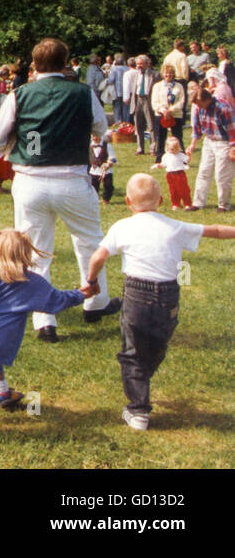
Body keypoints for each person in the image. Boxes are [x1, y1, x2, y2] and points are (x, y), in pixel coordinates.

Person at [0, 37, 117, 343]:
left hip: (30, 180)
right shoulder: (83, 93)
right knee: (89, 241)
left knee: (35, 250)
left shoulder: (20, 94)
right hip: (71, 179)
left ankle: (44, 319)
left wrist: (13, 152)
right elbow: (101, 129)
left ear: (33, 65)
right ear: (66, 63)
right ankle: (95, 302)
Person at [87, 173, 235, 430]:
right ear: (162, 200)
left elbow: (98, 256)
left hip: (136, 294)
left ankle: (138, 411)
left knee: (132, 353)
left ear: (129, 202)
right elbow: (216, 231)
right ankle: (143, 383)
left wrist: (92, 280)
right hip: (168, 296)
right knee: (157, 344)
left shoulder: (122, 226)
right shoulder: (173, 225)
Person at [0, 230, 96, 423]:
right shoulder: (32, 282)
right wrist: (82, 295)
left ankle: (3, 393)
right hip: (2, 334)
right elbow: (57, 300)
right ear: (27, 254)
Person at [185, 84, 233, 212]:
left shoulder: (223, 108)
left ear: (207, 100)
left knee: (222, 175)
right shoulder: (199, 108)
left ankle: (224, 205)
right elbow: (197, 129)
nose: (198, 106)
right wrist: (192, 145)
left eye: (199, 104)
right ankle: (198, 203)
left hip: (224, 143)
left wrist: (233, 148)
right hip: (209, 141)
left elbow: (232, 130)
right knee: (204, 172)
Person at [123, 55, 159, 157]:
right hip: (138, 99)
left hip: (149, 100)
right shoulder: (135, 74)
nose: (138, 66)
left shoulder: (154, 75)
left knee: (151, 125)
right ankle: (140, 148)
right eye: (137, 64)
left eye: (141, 64)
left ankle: (153, 148)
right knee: (138, 126)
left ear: (147, 64)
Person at [150, 65, 186, 159]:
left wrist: (171, 110)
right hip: (161, 115)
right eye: (166, 73)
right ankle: (160, 158)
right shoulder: (157, 86)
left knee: (177, 137)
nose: (168, 75)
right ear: (163, 73)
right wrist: (163, 110)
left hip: (175, 114)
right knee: (161, 138)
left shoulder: (179, 86)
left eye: (170, 73)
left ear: (173, 74)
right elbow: (154, 102)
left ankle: (182, 159)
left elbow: (181, 101)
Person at [153, 136, 191, 210]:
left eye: (176, 149)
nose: (173, 151)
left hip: (180, 174)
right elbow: (164, 164)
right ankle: (176, 204)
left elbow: (187, 160)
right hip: (170, 175)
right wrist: (158, 165)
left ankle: (187, 203)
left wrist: (189, 155)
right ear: (167, 148)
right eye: (171, 149)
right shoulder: (166, 156)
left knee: (184, 190)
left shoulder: (180, 155)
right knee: (173, 190)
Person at [89, 132, 117, 204]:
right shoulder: (89, 146)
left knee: (108, 186)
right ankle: (94, 199)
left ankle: (106, 199)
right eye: (93, 136)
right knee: (93, 186)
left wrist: (108, 163)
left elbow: (113, 158)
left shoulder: (107, 146)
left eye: (97, 136)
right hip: (94, 171)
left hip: (106, 170)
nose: (95, 138)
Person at [108, 54, 130, 125]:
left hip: (117, 92)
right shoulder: (127, 68)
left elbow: (111, 80)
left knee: (117, 110)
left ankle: (118, 124)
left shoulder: (114, 69)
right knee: (125, 110)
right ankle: (125, 124)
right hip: (126, 92)